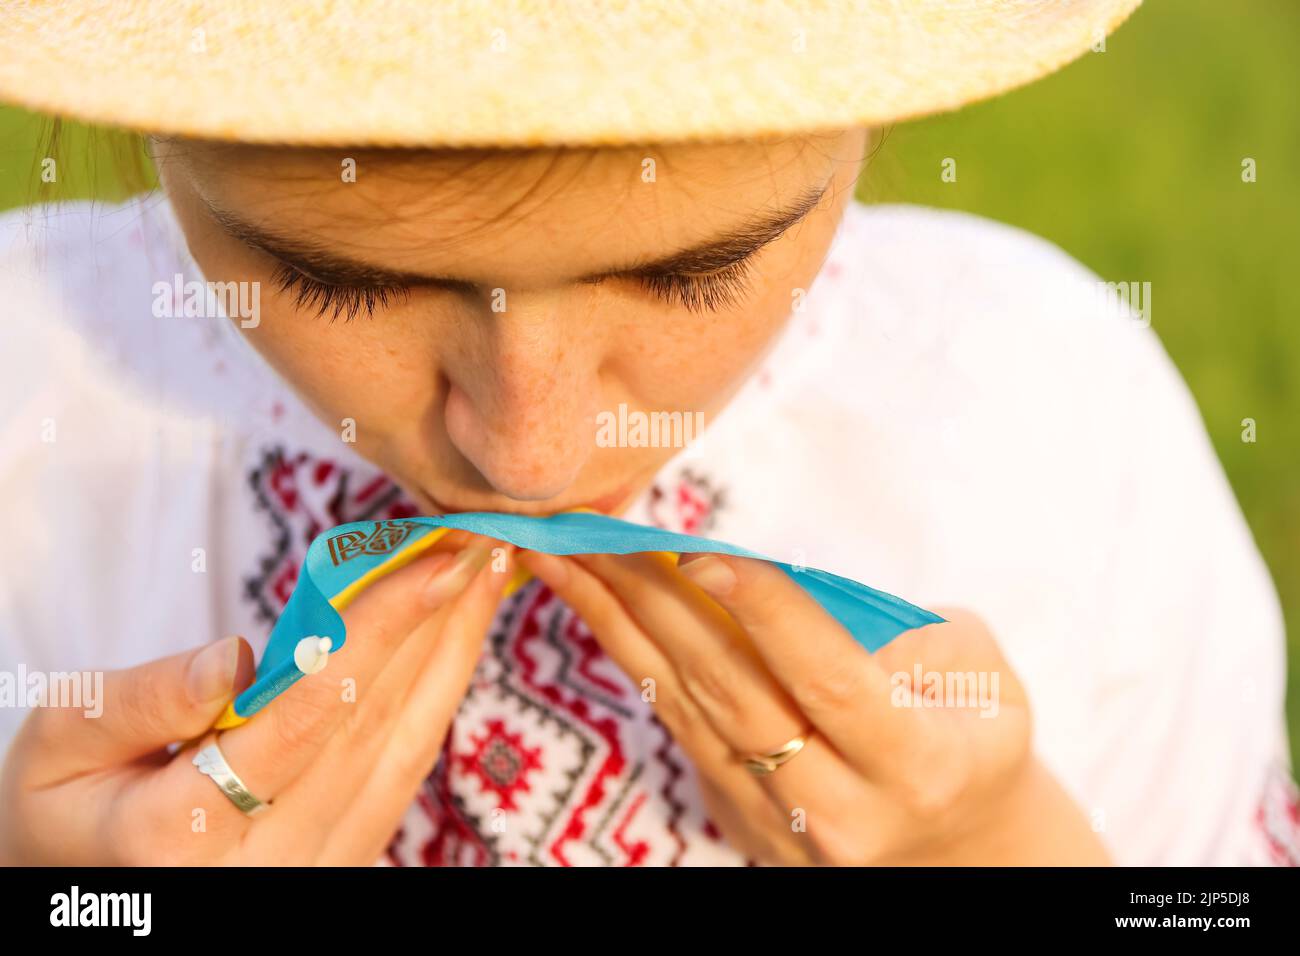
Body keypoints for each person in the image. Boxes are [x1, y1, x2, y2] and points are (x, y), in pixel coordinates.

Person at [0, 0, 1293, 866]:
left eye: (695, 276)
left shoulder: (1040, 404)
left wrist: (1005, 846)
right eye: (345, 283)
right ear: (140, 139)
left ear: (863, 121)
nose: (530, 451)